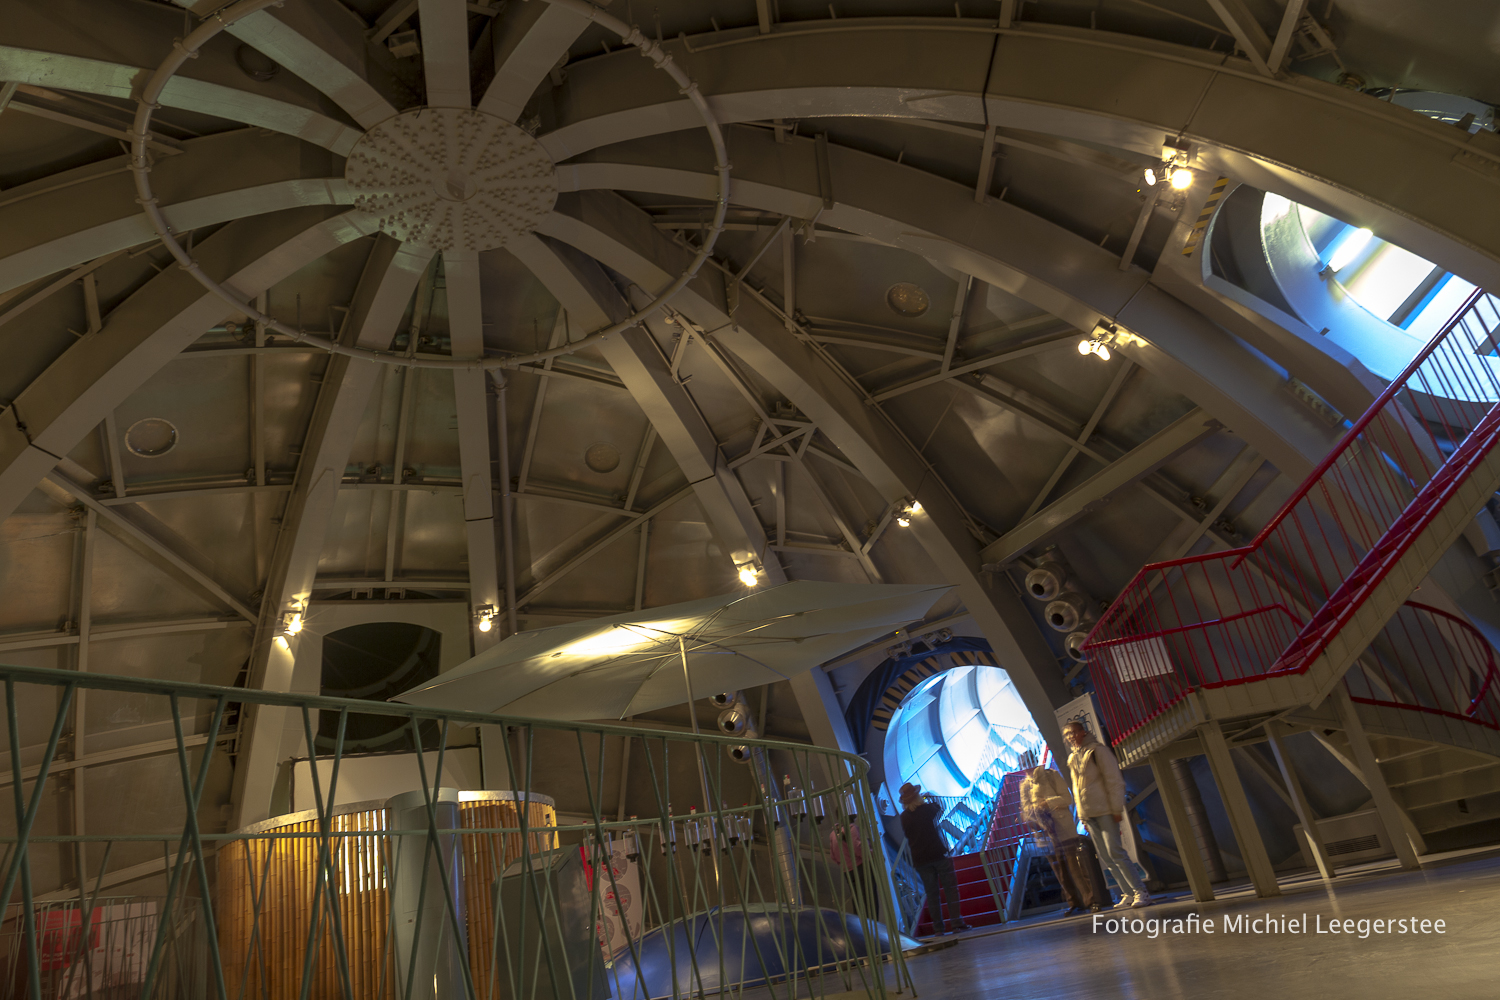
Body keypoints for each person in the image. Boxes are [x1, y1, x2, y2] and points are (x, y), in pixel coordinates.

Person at [1063, 721, 1151, 909]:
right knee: (1106, 856)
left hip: (1105, 810)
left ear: (1083, 732)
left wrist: (1116, 809)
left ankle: (1140, 891)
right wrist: (1082, 815)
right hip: (1089, 814)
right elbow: (1077, 789)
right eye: (1067, 734)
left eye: (1074, 732)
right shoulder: (1072, 758)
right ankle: (1128, 893)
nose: (1071, 737)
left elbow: (1114, 780)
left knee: (1115, 852)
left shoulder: (1097, 751)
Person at [1018, 764, 1102, 915]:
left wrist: (1046, 803)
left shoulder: (1051, 775)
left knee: (1076, 867)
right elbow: (1026, 808)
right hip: (1044, 832)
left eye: (1026, 764)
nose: (1025, 768)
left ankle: (1091, 900)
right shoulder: (1024, 785)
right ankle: (1074, 902)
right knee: (1060, 871)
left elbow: (1067, 798)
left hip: (1063, 828)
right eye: (1023, 765)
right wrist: (1035, 811)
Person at [898, 782, 971, 935]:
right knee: (951, 890)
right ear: (918, 796)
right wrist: (929, 794)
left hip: (920, 860)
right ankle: (956, 923)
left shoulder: (904, 817)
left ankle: (938, 929)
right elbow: (941, 806)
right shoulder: (927, 809)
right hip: (938, 854)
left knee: (932, 895)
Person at [828, 820, 881, 919]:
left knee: (857, 899)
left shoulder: (833, 834)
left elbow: (833, 856)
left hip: (847, 871)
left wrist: (844, 864)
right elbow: (858, 849)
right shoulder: (851, 829)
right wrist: (873, 853)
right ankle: (873, 923)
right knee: (870, 899)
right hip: (861, 868)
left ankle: (859, 924)